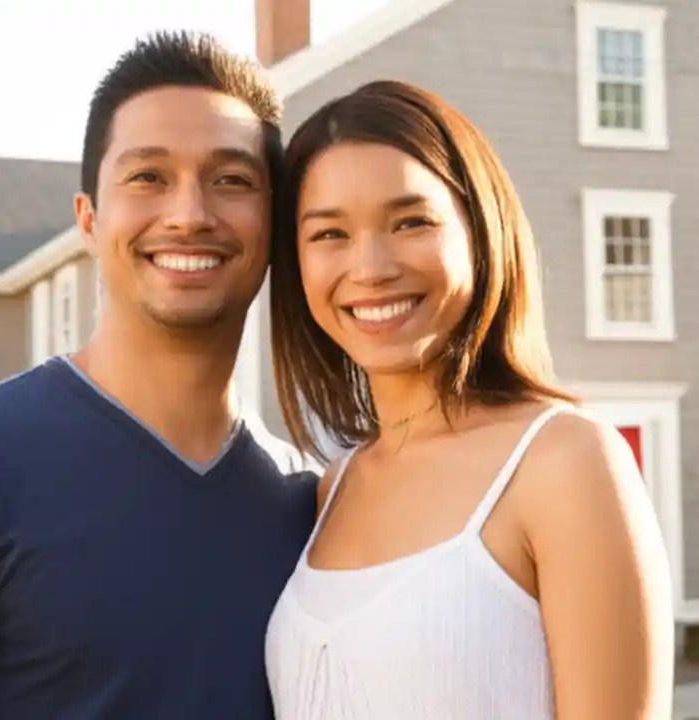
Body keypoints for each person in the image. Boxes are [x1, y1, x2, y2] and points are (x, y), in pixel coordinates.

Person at [0, 31, 317, 720]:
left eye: (231, 180)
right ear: (89, 219)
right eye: (148, 177)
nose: (189, 214)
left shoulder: (311, 504)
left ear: (272, 224)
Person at [263, 80, 675, 719]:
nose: (370, 267)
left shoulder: (564, 461)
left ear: (480, 232)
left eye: (411, 222)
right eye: (329, 234)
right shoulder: (332, 488)